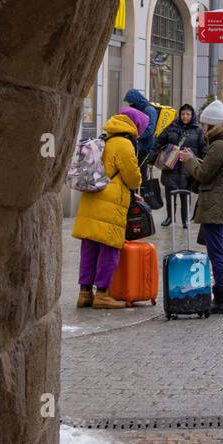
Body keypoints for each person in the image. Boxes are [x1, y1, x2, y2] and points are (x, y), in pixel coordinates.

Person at [72, 108, 147, 309]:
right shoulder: (124, 144)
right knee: (109, 249)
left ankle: (84, 293)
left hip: (91, 199)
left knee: (89, 248)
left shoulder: (104, 138)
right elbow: (132, 177)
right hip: (110, 203)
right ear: (135, 126)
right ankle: (103, 294)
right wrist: (137, 183)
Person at [178, 99, 223, 315]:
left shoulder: (220, 145)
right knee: (219, 250)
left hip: (217, 205)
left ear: (213, 125)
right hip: (222, 203)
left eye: (205, 125)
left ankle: (222, 298)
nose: (202, 129)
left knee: (217, 252)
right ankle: (221, 295)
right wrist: (195, 159)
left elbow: (204, 174)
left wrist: (188, 160)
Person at [156, 103, 205, 229]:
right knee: (169, 193)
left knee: (185, 195)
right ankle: (170, 217)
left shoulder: (198, 130)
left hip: (187, 167)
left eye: (188, 114)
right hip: (170, 166)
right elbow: (159, 142)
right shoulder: (171, 127)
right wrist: (153, 159)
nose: (185, 116)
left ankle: (185, 220)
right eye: (183, 114)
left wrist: (203, 162)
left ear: (192, 115)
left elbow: (203, 148)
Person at [122, 89, 159, 163]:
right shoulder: (140, 109)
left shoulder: (150, 110)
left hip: (147, 147)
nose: (130, 104)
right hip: (140, 145)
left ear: (136, 100)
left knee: (143, 172)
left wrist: (138, 136)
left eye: (131, 102)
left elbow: (150, 129)